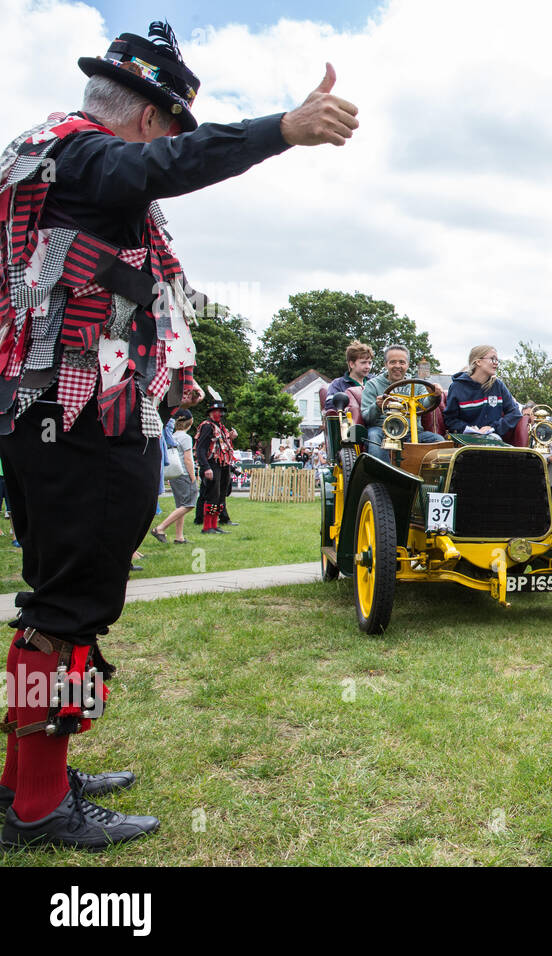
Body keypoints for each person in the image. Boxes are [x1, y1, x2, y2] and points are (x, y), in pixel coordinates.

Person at [0, 22, 358, 849]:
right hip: (81, 416)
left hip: (46, 412)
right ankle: (41, 808)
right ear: (152, 119)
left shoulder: (46, 152)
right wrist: (283, 130)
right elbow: (161, 170)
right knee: (69, 609)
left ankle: (29, 782)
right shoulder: (91, 157)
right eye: (173, 128)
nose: (168, 149)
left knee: (53, 606)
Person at [360, 344, 443, 462]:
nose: (397, 366)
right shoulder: (373, 385)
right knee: (373, 435)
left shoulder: (418, 385)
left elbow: (424, 404)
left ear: (407, 365)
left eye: (402, 362)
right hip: (383, 432)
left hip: (412, 432)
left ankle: (431, 478)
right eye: (393, 362)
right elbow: (367, 417)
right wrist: (377, 406)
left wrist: (433, 395)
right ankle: (382, 477)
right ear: (386, 364)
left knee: (439, 441)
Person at [443, 345, 522, 439]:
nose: (496, 363)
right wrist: (468, 428)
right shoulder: (457, 387)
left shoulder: (498, 385)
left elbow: (515, 412)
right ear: (478, 362)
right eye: (492, 359)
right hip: (466, 439)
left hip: (493, 437)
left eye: (497, 360)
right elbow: (450, 419)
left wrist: (493, 427)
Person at [151, 409, 196, 544]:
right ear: (190, 422)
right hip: (184, 473)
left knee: (180, 506)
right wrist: (193, 477)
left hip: (174, 473)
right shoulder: (186, 438)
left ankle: (179, 536)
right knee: (189, 505)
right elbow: (188, 459)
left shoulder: (173, 435)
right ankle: (160, 528)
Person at [194, 395, 236, 534]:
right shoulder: (207, 426)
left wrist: (231, 437)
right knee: (212, 495)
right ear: (211, 413)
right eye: (216, 411)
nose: (219, 414)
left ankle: (214, 524)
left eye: (221, 412)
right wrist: (206, 467)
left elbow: (224, 445)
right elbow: (200, 448)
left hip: (223, 463)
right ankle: (207, 526)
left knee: (220, 496)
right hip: (212, 463)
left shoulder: (222, 428)